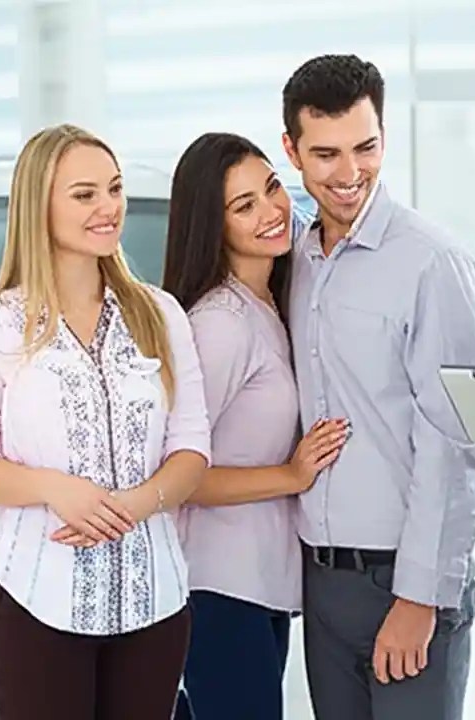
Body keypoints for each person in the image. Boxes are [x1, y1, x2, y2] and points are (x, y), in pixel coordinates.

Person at [0, 122, 213, 720]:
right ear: (39, 206)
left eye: (113, 190)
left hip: (155, 603)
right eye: (84, 194)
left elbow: (192, 448)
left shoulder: (161, 315)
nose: (107, 207)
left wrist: (135, 505)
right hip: (37, 603)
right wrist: (56, 490)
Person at [279, 54, 475, 720]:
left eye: (365, 147)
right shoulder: (294, 257)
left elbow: (457, 444)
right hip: (321, 582)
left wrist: (420, 597)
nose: (349, 174)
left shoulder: (432, 262)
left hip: (403, 580)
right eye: (326, 154)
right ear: (292, 150)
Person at [160, 132, 350, 720]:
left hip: (259, 584)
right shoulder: (219, 324)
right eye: (244, 206)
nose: (271, 211)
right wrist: (289, 475)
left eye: (270, 188)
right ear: (213, 227)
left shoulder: (272, 301)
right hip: (219, 587)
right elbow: (175, 476)